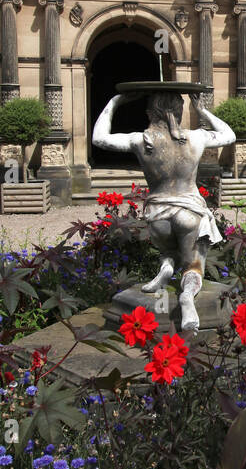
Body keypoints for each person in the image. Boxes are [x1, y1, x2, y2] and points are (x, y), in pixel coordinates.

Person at [91, 89, 235, 332]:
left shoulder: (141, 140)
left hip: (158, 214)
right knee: (193, 268)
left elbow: (99, 138)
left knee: (168, 248)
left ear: (150, 113)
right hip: (189, 212)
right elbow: (229, 135)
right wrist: (201, 111)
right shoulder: (196, 137)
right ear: (179, 113)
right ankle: (187, 297)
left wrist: (114, 102)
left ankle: (166, 266)